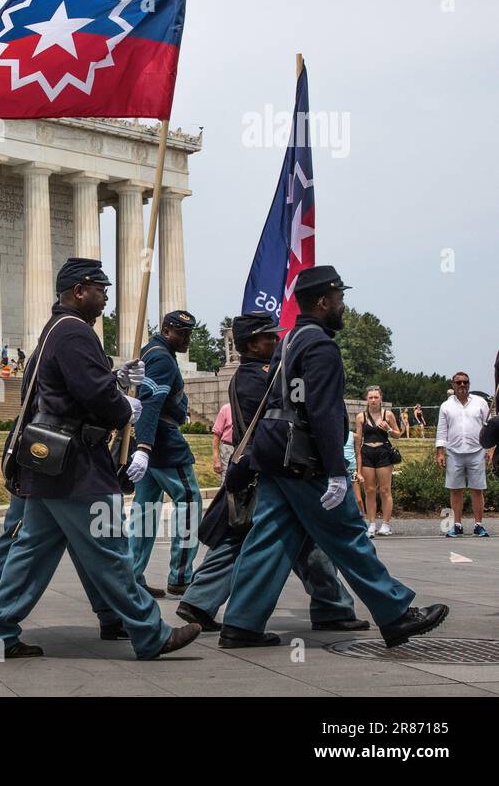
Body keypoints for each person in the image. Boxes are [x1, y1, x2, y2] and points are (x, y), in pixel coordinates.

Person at [0, 257, 199, 660]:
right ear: (80, 290)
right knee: (112, 550)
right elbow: (91, 394)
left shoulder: (57, 330)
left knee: (31, 553)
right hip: (76, 465)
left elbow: (73, 387)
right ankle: (151, 632)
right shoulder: (75, 333)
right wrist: (123, 405)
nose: (106, 300)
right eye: (101, 291)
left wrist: (113, 379)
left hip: (51, 465)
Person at [220, 266, 448, 649]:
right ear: (323, 302)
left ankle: (241, 623)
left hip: (275, 451)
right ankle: (394, 613)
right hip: (303, 458)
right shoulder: (321, 346)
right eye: (340, 299)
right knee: (347, 534)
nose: (343, 305)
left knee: (269, 537)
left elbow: (282, 401)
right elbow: (323, 411)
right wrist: (338, 471)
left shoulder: (290, 340)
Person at [175, 312, 367, 635]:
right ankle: (330, 607)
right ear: (251, 344)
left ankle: (199, 600)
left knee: (241, 537)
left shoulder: (254, 375)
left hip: (255, 470)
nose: (276, 341)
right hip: (269, 470)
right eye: (269, 338)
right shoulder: (257, 379)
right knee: (305, 541)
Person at [127, 310, 201, 597]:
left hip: (150, 442)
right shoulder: (161, 358)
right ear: (168, 330)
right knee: (190, 500)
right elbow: (151, 402)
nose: (187, 340)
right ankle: (181, 575)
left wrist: (142, 447)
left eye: (190, 334)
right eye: (183, 333)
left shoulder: (152, 352)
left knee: (144, 511)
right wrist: (144, 447)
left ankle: (132, 576)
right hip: (164, 443)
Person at [436, 372, 492, 537]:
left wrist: (490, 448)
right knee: (455, 489)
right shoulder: (446, 406)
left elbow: (489, 428)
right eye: (458, 382)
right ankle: (457, 524)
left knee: (477, 489)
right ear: (453, 384)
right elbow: (442, 430)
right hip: (454, 452)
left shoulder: (480, 403)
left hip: (477, 451)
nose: (462, 385)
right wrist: (440, 451)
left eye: (465, 382)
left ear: (469, 384)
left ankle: (478, 524)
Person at [355, 385, 402, 537]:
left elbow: (397, 435)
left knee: (385, 490)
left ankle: (386, 524)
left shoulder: (388, 415)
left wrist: (388, 429)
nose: (374, 400)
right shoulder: (361, 417)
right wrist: (358, 463)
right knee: (369, 490)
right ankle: (371, 523)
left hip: (383, 452)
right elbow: (358, 440)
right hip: (367, 452)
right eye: (371, 397)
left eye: (376, 397)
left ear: (381, 398)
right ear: (366, 400)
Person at [211, 402, 234, 477]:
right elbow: (216, 436)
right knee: (226, 481)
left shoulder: (251, 408)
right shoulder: (226, 409)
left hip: (247, 448)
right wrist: (216, 459)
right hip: (228, 449)